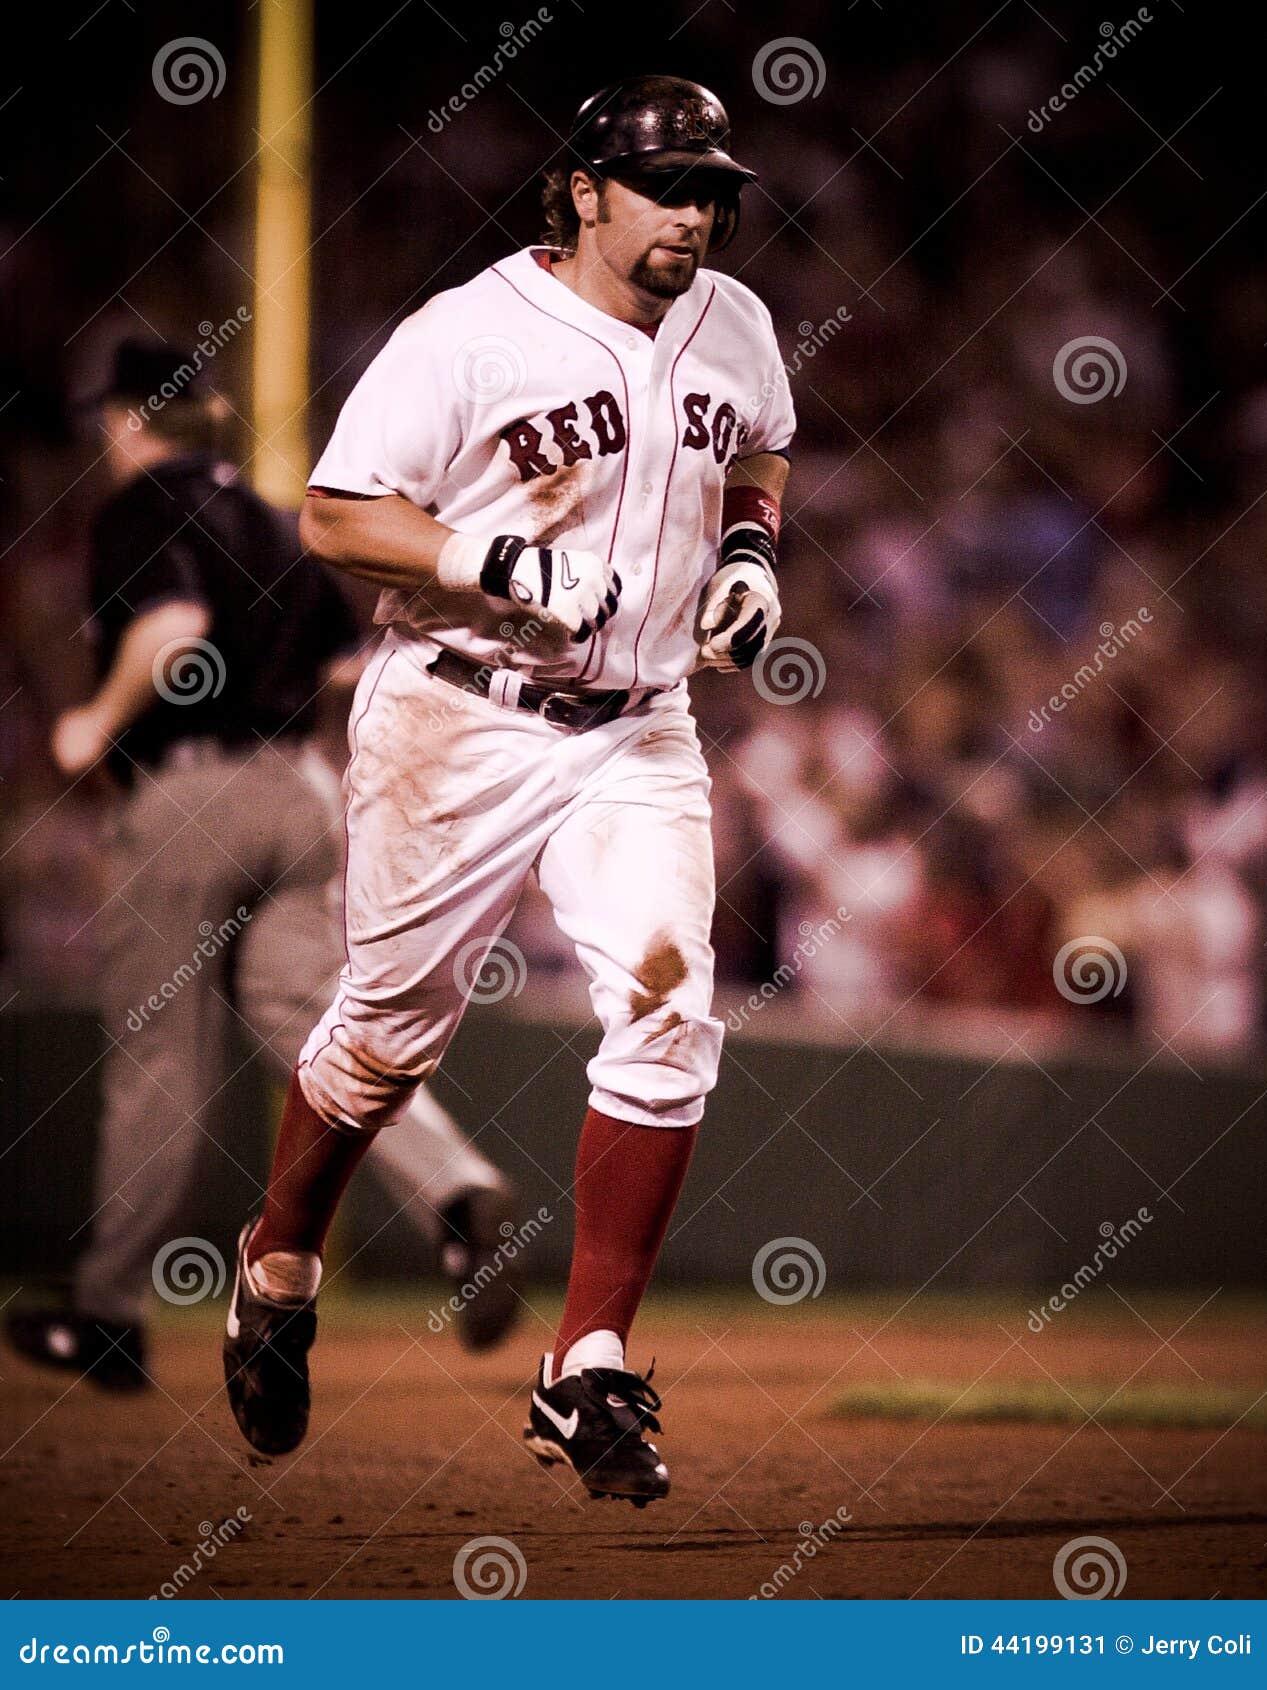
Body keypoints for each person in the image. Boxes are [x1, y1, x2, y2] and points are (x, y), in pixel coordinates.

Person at [221, 75, 795, 1506]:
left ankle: (585, 1362)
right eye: (664, 186)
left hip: (638, 726)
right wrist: (492, 559)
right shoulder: (467, 334)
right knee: (384, 1038)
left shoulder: (733, 320)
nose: (693, 215)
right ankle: (277, 1262)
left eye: (710, 191)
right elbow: (334, 513)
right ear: (584, 191)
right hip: (458, 714)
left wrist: (749, 556)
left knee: (670, 1005)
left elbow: (759, 448)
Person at [5, 339, 521, 1393]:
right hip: (302, 792)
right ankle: (456, 1189)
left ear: (123, 420)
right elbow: (346, 662)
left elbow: (174, 624)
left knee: (160, 1056)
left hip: (192, 792)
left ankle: (107, 1312)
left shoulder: (141, 505)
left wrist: (95, 719)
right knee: (319, 1026)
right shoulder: (272, 516)